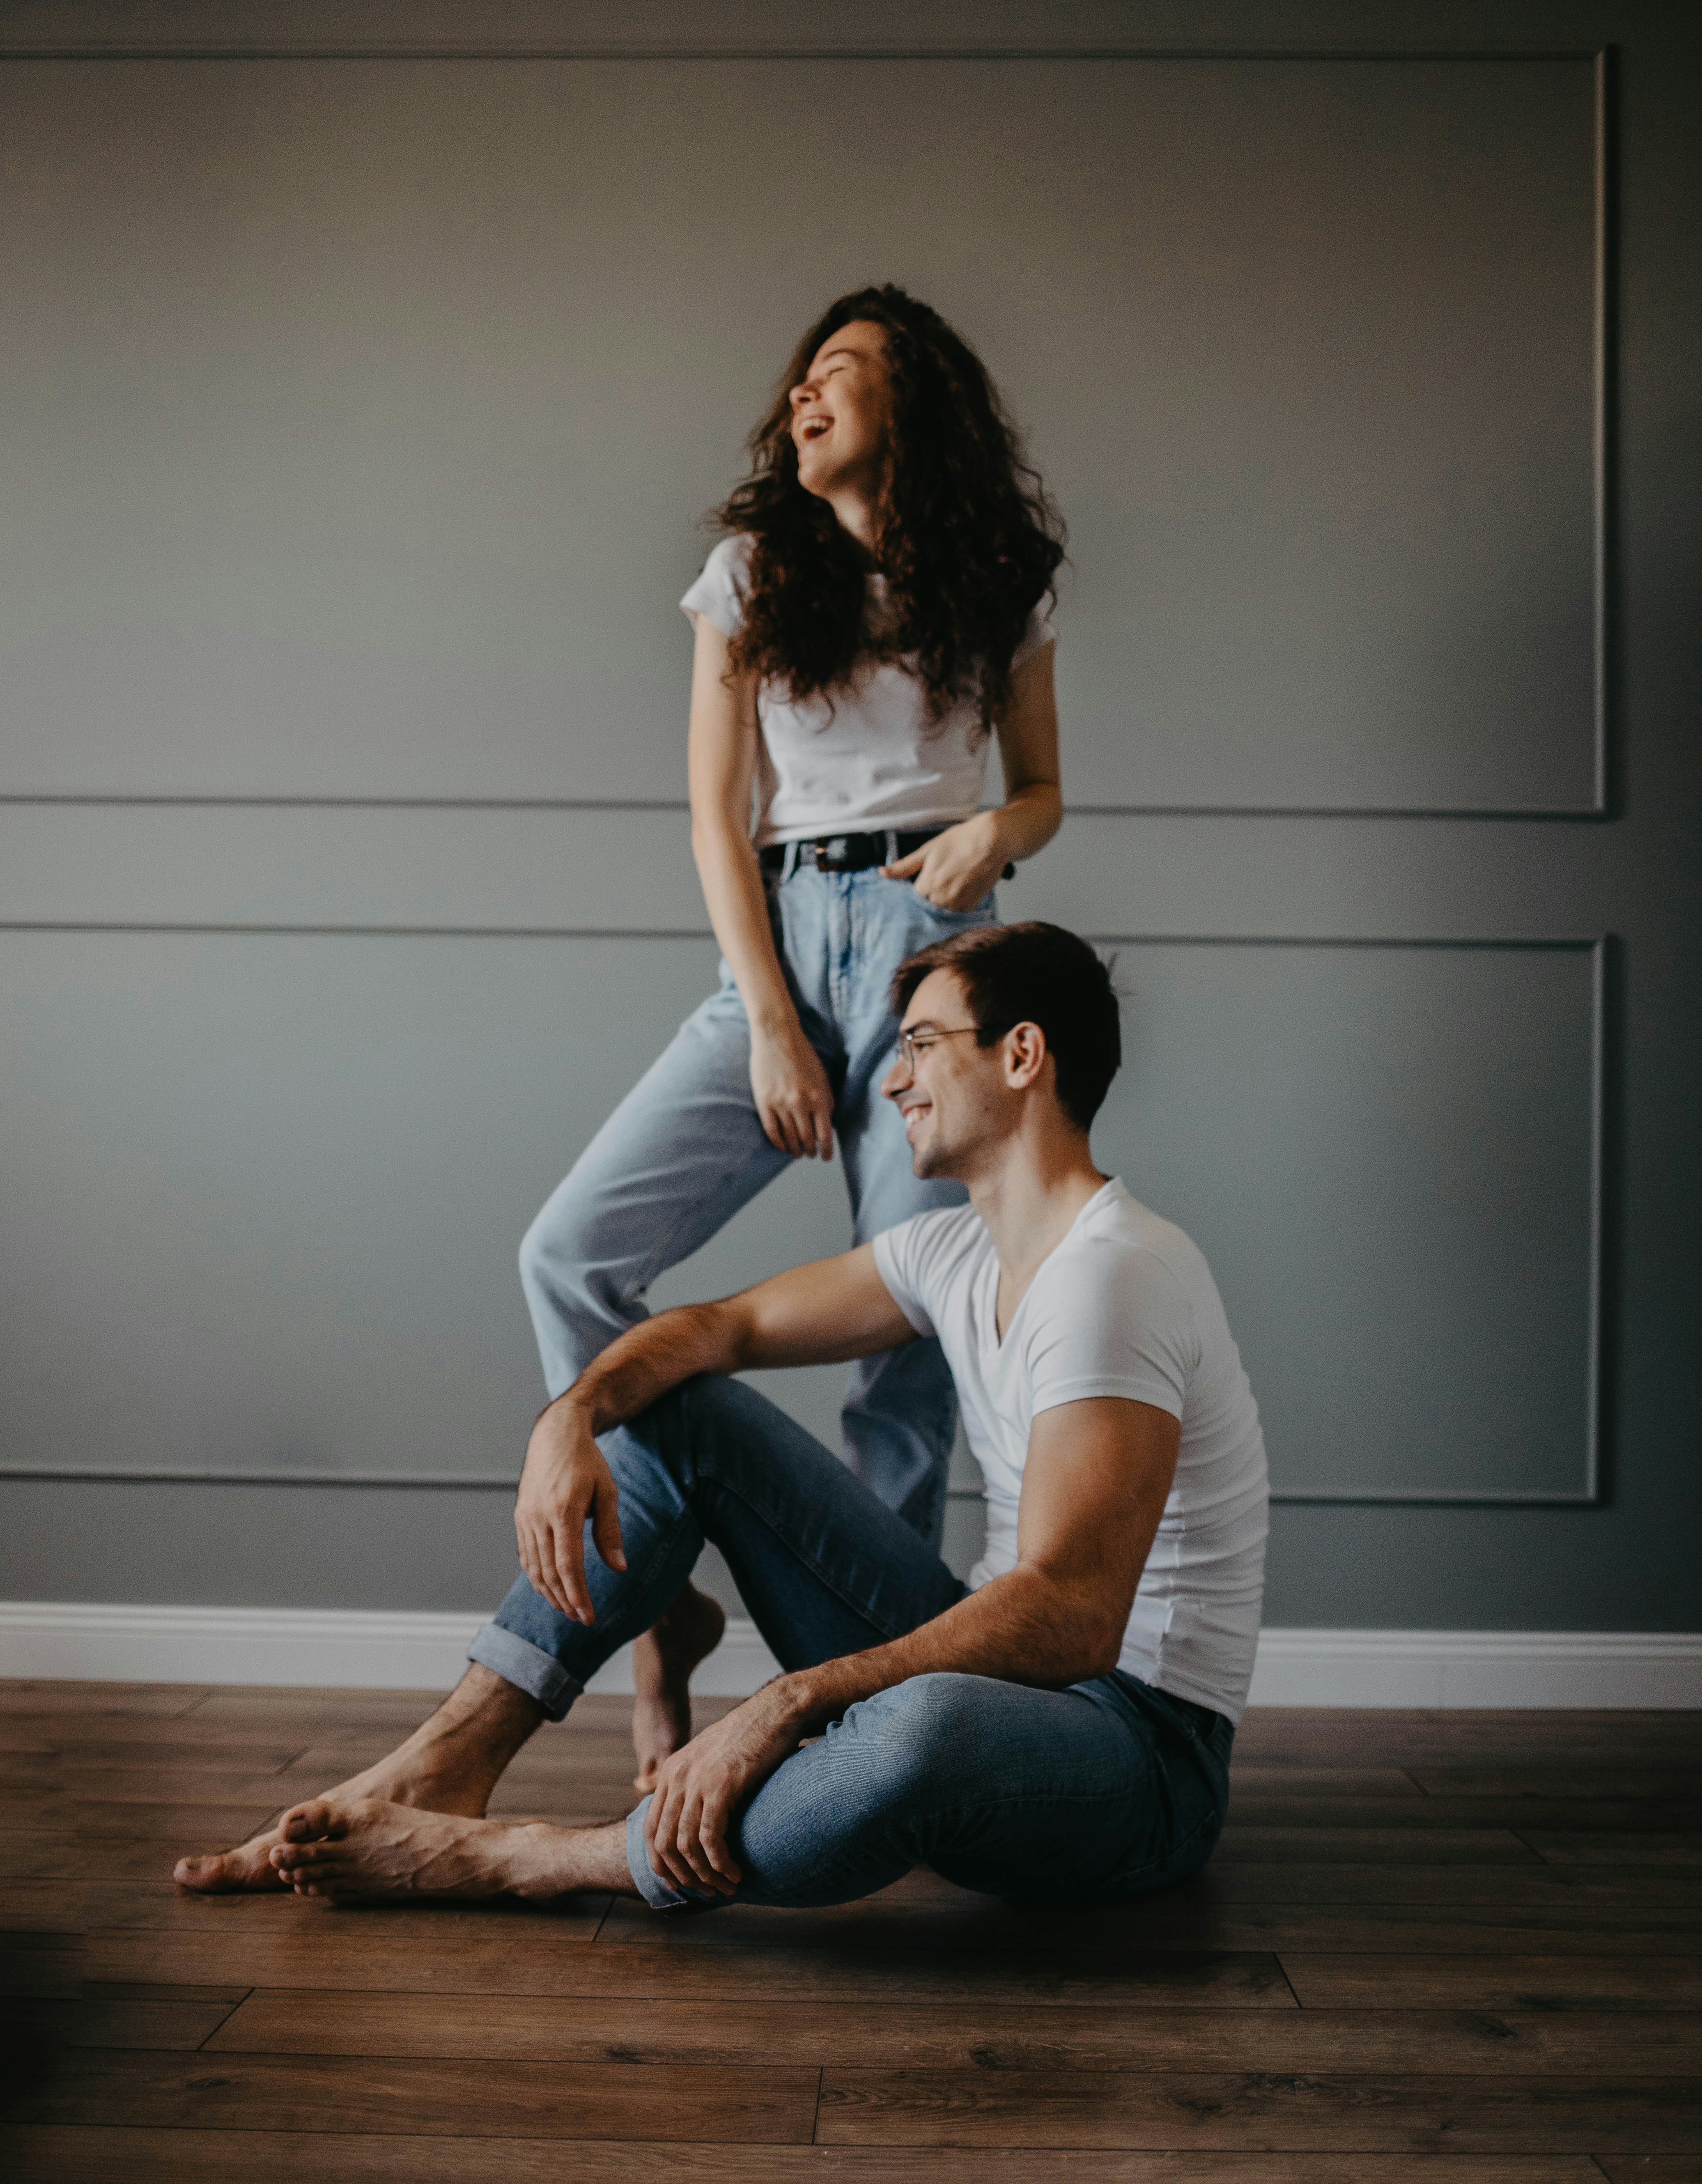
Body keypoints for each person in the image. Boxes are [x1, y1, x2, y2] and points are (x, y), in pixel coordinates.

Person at [175, 922, 1269, 1911]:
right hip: (1006, 1679)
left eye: (925, 1044)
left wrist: (782, 1706)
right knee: (683, 1415)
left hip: (1139, 1751)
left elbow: (1073, 1621)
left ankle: (529, 1859)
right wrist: (566, 1420)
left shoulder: (1111, 1275)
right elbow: (720, 1328)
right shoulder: (952, 1252)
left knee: (921, 1731)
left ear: (1021, 1056)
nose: (891, 1081)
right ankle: (448, 1759)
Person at [518, 285, 1067, 1791]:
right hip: (778, 944)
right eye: (802, 378)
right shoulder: (750, 571)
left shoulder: (998, 577)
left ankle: (849, 1701)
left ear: (918, 408)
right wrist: (771, 1017)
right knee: (568, 1254)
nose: (806, 396)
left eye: (844, 372)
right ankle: (658, 1622)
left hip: (930, 943)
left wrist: (985, 842)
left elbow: (1041, 792)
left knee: (907, 1330)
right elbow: (714, 813)